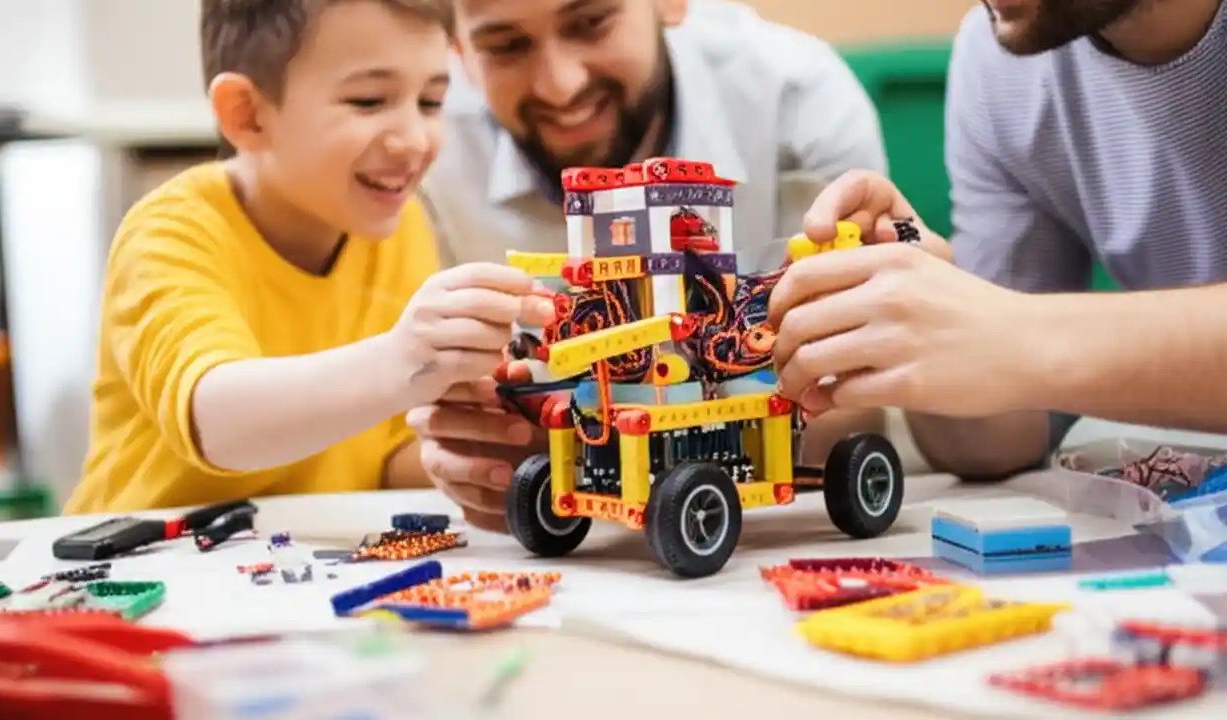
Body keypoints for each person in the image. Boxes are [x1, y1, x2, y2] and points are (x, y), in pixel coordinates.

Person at [408, 0, 891, 531]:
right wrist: (488, 446)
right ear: (459, 50)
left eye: (592, 22)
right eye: (505, 46)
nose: (560, 86)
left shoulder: (798, 97)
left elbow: (867, 389)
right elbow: (422, 413)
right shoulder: (424, 143)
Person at [65, 0, 553, 514]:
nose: (414, 139)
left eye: (431, 102)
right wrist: (403, 360)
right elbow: (220, 426)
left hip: (300, 570)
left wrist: (464, 456)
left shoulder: (399, 226)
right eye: (368, 101)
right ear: (247, 114)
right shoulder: (170, 232)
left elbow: (381, 453)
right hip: (136, 569)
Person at [767, 0, 1227, 481]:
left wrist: (1018, 334)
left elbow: (1019, 344)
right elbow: (1004, 438)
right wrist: (924, 340)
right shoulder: (1002, 58)